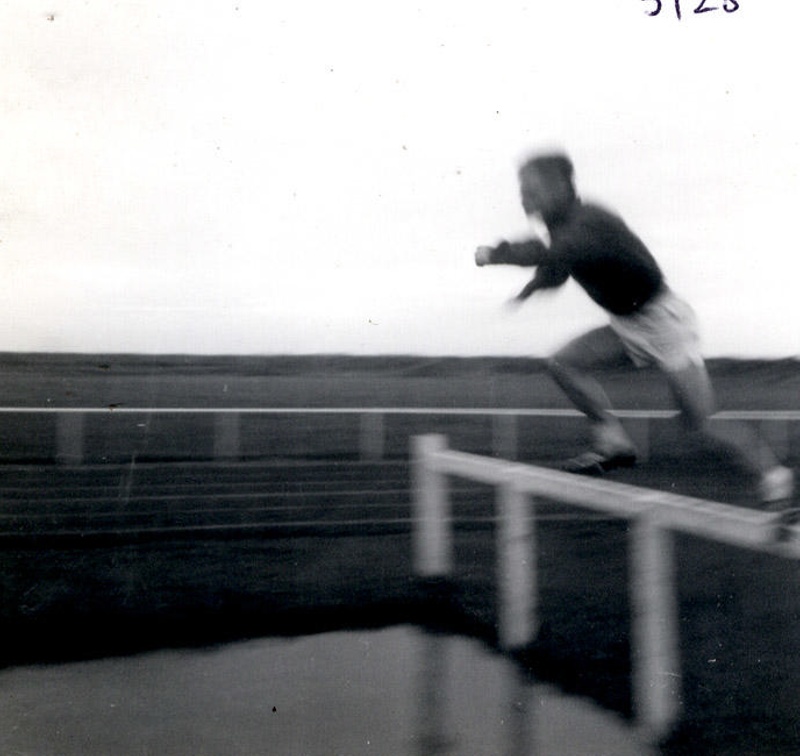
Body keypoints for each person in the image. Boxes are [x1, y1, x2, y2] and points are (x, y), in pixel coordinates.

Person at [474, 151, 794, 504]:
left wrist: (505, 262)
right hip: (628, 325)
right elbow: (551, 260)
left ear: (561, 187)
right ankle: (613, 440)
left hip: (664, 324)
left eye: (532, 189)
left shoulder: (587, 220)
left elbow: (554, 265)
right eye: (522, 189)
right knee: (562, 363)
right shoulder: (560, 226)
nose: (524, 198)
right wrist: (511, 264)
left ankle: (774, 476)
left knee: (701, 422)